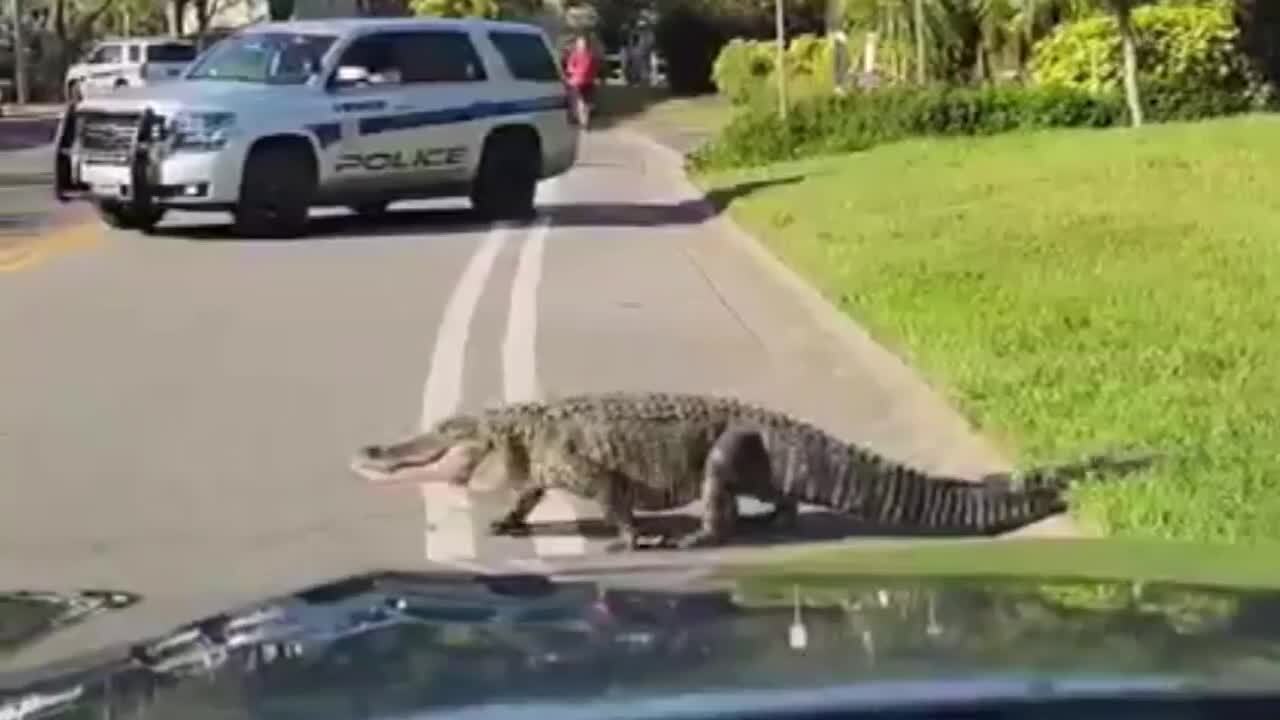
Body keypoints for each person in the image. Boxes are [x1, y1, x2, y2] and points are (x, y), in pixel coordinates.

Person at [564, 36, 598, 129]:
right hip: (588, 82)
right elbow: (595, 70)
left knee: (579, 101)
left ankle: (577, 118)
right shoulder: (592, 56)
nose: (582, 45)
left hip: (577, 82)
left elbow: (569, 68)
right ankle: (584, 120)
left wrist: (576, 72)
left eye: (582, 43)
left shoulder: (575, 55)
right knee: (586, 103)